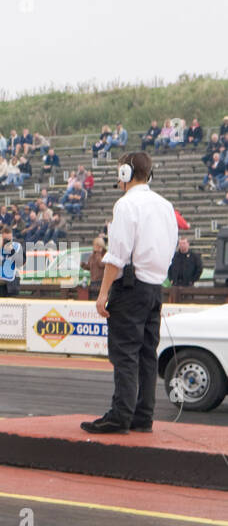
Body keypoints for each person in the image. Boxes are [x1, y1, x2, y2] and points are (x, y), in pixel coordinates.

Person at [83, 152, 178, 435]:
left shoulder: (126, 205)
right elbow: (170, 248)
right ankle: (141, 415)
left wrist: (103, 294)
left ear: (125, 173)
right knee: (147, 353)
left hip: (131, 286)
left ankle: (120, 415)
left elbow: (117, 256)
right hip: (154, 287)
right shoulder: (165, 205)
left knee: (124, 353)